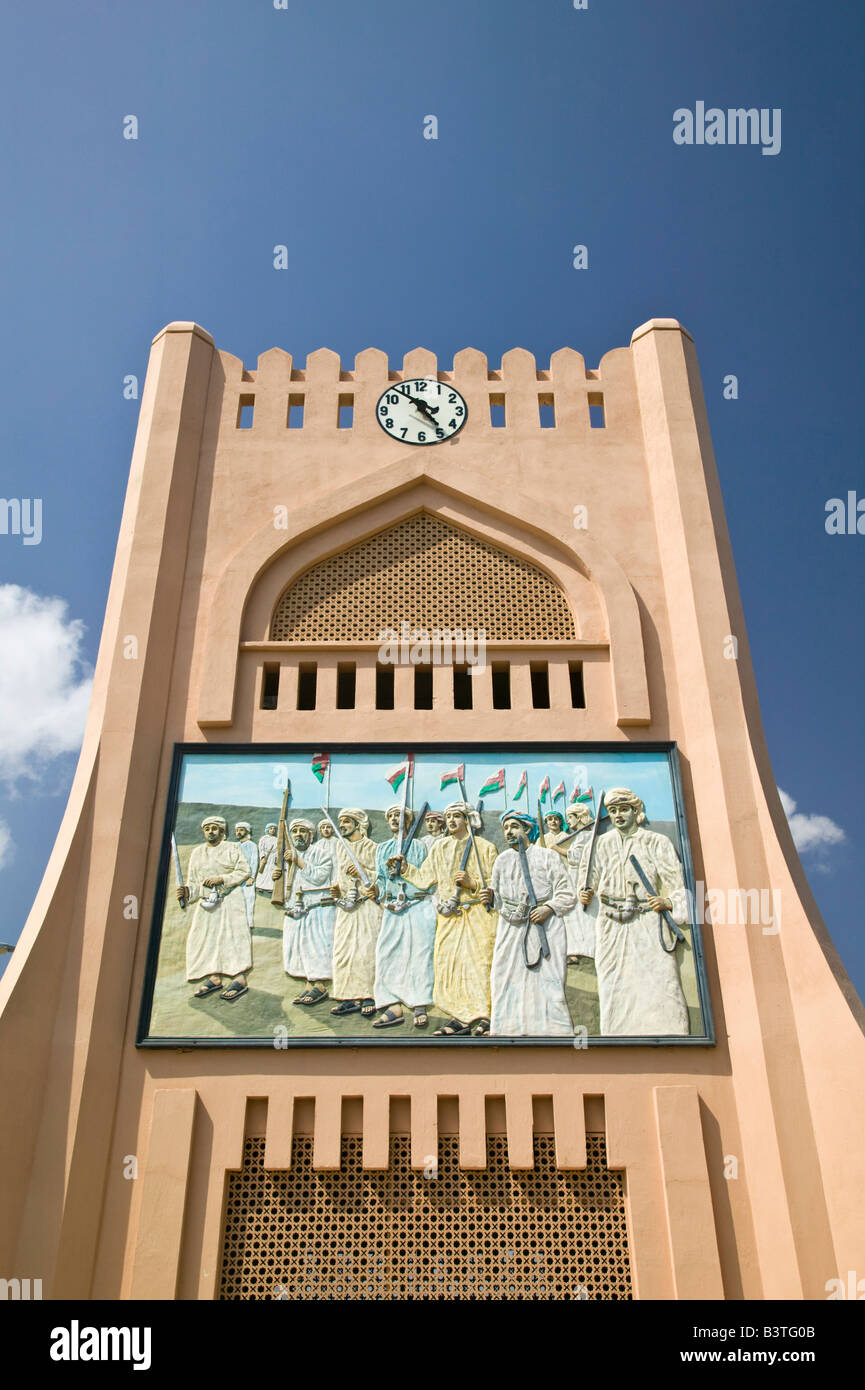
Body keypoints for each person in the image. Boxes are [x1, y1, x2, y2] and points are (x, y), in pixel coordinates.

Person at [579, 787, 690, 1036]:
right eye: (613, 810)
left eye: (623, 809)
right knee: (613, 982)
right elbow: (587, 883)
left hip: (646, 920)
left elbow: (678, 887)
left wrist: (668, 902)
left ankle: (669, 1034)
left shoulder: (656, 842)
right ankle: (616, 1037)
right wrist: (583, 894)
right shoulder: (599, 845)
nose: (618, 815)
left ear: (635, 811)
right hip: (610, 923)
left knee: (658, 981)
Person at [394, 801, 498, 1036]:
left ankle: (485, 1014)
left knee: (479, 965)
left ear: (468, 819)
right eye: (448, 816)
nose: (451, 820)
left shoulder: (485, 847)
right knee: (450, 965)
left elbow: (496, 883)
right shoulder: (439, 848)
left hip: (478, 915)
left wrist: (474, 884)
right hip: (450, 916)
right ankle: (459, 1016)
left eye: (457, 816)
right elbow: (424, 878)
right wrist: (405, 869)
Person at [480, 811, 576, 1036]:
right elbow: (498, 899)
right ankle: (507, 1030)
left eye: (514, 827)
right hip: (511, 928)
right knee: (504, 977)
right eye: (506, 828)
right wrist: (490, 899)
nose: (509, 832)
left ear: (528, 829)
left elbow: (566, 893)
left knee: (546, 980)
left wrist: (548, 908)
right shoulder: (502, 860)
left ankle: (553, 1033)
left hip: (545, 926)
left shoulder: (547, 857)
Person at [371, 804, 436, 1029]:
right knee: (387, 954)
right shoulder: (382, 848)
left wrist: (405, 867)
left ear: (408, 821)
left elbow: (427, 877)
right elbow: (381, 879)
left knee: (419, 955)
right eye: (390, 816)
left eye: (398, 816)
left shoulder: (420, 847)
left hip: (417, 905)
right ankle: (392, 1005)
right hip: (392, 907)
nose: (394, 819)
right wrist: (376, 890)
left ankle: (419, 1005)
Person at [177, 815, 252, 1002]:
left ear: (222, 831)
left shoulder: (231, 848)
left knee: (232, 938)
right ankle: (214, 977)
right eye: (207, 828)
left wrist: (222, 879)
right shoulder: (197, 853)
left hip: (230, 900)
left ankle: (239, 979)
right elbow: (193, 882)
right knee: (205, 938)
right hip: (207, 903)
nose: (210, 831)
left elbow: (244, 871)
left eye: (214, 828)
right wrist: (187, 892)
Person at [329, 809, 382, 1019]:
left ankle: (369, 996)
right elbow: (338, 875)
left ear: (358, 824)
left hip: (367, 906)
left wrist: (363, 871)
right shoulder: (340, 848)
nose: (342, 825)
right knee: (343, 951)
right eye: (340, 822)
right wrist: (335, 888)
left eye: (346, 822)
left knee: (365, 951)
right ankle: (348, 997)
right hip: (346, 907)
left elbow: (382, 876)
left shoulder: (373, 847)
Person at [278, 819, 338, 1006]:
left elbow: (320, 878)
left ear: (311, 835)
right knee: (298, 947)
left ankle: (319, 985)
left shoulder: (321, 854)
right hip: (296, 907)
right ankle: (308, 982)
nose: (298, 834)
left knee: (316, 947)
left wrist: (299, 861)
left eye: (302, 831)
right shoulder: (288, 855)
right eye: (294, 831)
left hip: (317, 908)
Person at [550, 804, 597, 963]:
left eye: (571, 817)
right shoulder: (581, 835)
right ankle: (575, 950)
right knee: (574, 915)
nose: (568, 821)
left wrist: (557, 849)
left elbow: (576, 857)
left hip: (579, 876)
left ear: (579, 817)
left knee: (577, 913)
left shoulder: (585, 835)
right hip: (575, 875)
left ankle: (583, 950)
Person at [234, 822, 259, 929]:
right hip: (236, 877)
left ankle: (249, 922)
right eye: (237, 830)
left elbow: (254, 862)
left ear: (247, 831)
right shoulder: (235, 846)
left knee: (249, 900)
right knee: (236, 901)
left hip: (248, 878)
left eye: (241, 830)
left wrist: (252, 877)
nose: (238, 832)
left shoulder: (252, 846)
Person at [255, 822, 279, 894]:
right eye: (271, 828)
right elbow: (261, 848)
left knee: (271, 871)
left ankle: (270, 887)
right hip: (265, 857)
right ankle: (260, 886)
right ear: (268, 829)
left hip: (272, 858)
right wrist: (262, 857)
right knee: (263, 871)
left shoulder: (276, 839)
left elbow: (278, 849)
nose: (272, 830)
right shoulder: (263, 839)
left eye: (274, 829)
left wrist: (276, 857)